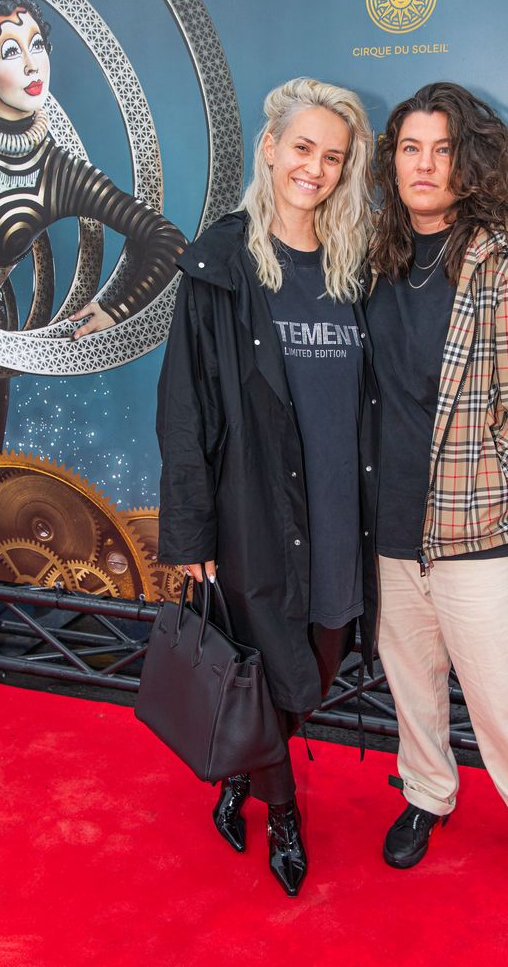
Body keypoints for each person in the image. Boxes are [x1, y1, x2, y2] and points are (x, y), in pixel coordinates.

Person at [156, 78, 378, 897]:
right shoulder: (220, 262)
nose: (313, 169)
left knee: (314, 664)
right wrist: (190, 534)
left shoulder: (357, 262)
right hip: (254, 510)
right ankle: (283, 812)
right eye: (302, 148)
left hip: (339, 514)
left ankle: (242, 772)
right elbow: (185, 407)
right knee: (267, 659)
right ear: (270, 149)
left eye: (333, 156)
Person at [367, 82, 508, 910]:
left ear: (470, 161)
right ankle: (426, 793)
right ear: (393, 161)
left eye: (443, 149)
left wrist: (495, 497)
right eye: (410, 149)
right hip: (386, 520)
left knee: (501, 697)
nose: (425, 165)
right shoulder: (376, 252)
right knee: (412, 683)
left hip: (476, 527)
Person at [0, 0, 186, 451]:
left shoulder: (60, 172)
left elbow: (167, 240)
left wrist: (118, 309)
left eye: (37, 44)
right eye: (11, 50)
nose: (34, 66)